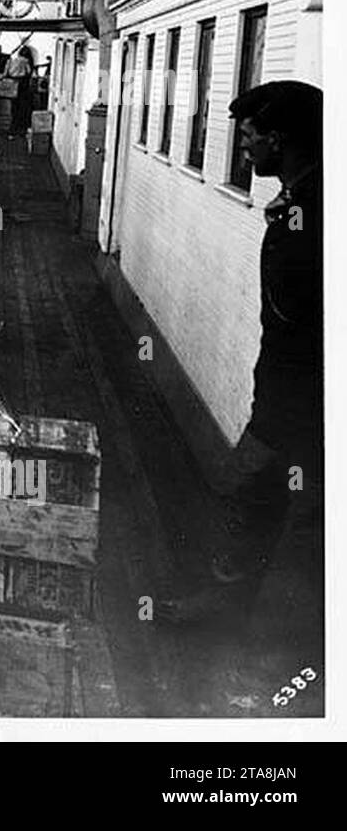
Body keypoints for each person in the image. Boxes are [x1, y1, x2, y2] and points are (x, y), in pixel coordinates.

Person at [163, 82, 323, 668]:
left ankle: (276, 652)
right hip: (290, 399)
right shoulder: (304, 199)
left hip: (297, 406)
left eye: (251, 137)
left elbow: (300, 320)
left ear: (279, 139)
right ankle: (239, 612)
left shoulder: (312, 214)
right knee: (270, 505)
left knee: (264, 499)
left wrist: (276, 424)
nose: (245, 147)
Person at [7, 45, 35, 136]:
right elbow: (29, 71)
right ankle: (22, 126)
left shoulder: (13, 60)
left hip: (12, 83)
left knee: (14, 106)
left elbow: (7, 72)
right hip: (23, 84)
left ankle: (12, 127)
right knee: (23, 106)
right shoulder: (26, 61)